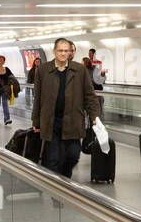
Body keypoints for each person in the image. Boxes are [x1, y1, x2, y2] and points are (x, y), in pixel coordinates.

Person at [31, 37, 103, 178]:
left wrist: (95, 116)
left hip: (73, 121)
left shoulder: (79, 70)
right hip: (51, 122)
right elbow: (38, 97)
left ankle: (64, 178)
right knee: (53, 159)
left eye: (66, 51)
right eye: (60, 51)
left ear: (70, 52)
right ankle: (57, 194)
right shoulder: (43, 70)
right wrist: (36, 121)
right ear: (54, 51)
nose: (63, 54)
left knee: (73, 156)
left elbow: (89, 95)